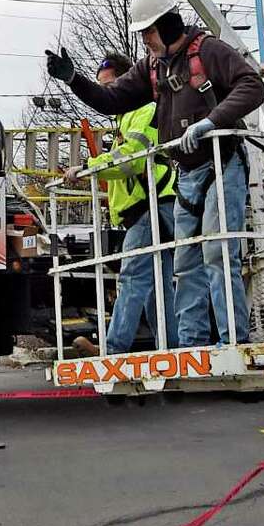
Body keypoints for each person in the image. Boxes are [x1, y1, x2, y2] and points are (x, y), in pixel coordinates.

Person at [47, 0, 264, 347]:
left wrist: (211, 121)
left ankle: (233, 345)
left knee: (217, 252)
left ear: (166, 25)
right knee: (186, 262)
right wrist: (74, 79)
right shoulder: (153, 67)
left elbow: (253, 84)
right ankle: (193, 346)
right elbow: (111, 98)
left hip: (222, 164)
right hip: (188, 175)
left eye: (148, 32)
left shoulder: (208, 51)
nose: (145, 40)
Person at [70, 52, 177, 356]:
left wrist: (90, 167)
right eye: (102, 88)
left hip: (151, 206)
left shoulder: (143, 110)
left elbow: (131, 158)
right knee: (158, 287)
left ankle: (113, 350)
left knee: (132, 276)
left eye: (111, 85)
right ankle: (173, 349)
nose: (107, 94)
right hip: (149, 207)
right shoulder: (126, 118)